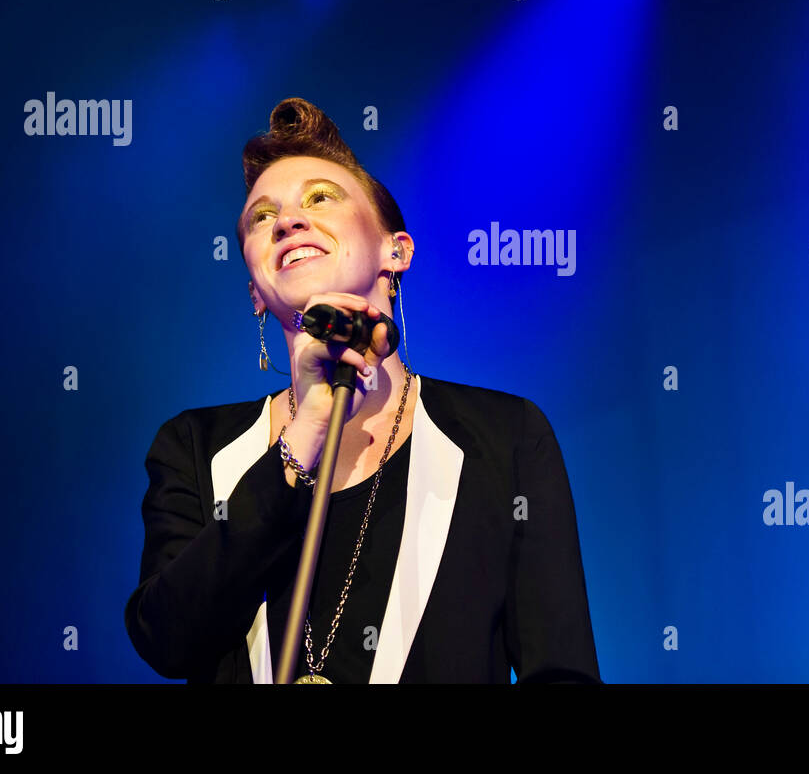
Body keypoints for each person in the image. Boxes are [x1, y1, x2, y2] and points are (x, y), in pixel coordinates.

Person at [123, 97, 601, 683]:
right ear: (254, 290)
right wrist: (306, 431)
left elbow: (561, 673)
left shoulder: (504, 438)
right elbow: (168, 640)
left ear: (395, 252)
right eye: (261, 216)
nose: (288, 222)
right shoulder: (196, 447)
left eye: (321, 197)